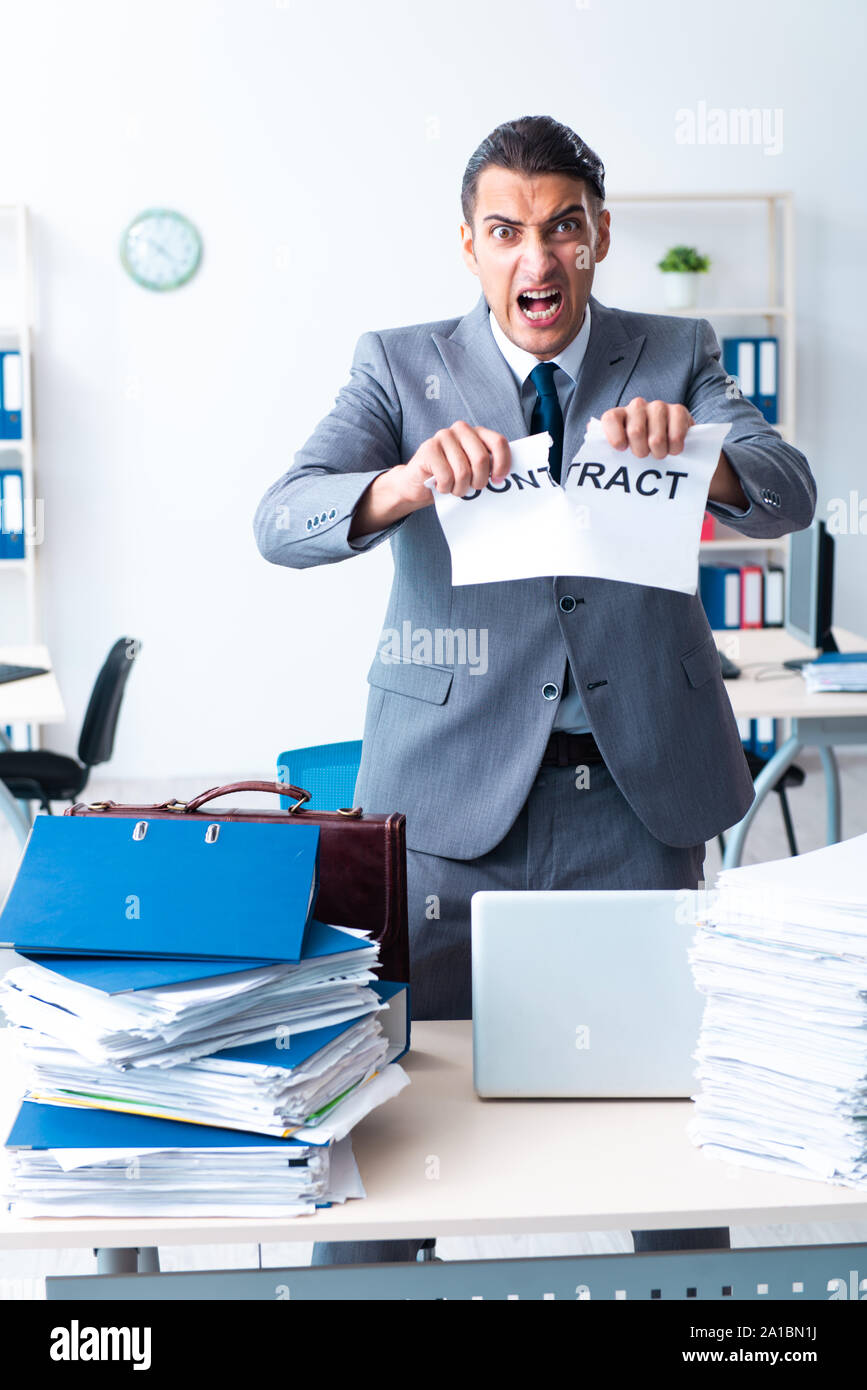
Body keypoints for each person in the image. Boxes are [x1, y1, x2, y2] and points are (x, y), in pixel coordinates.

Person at [254, 115, 816, 1265]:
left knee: (662, 1126)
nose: (537, 259)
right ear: (468, 244)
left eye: (564, 229)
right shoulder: (397, 362)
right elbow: (282, 517)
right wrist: (400, 484)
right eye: (507, 231)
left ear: (600, 235)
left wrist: (707, 454)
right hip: (449, 808)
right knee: (390, 1116)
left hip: (636, 806)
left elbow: (788, 489)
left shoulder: (678, 350)